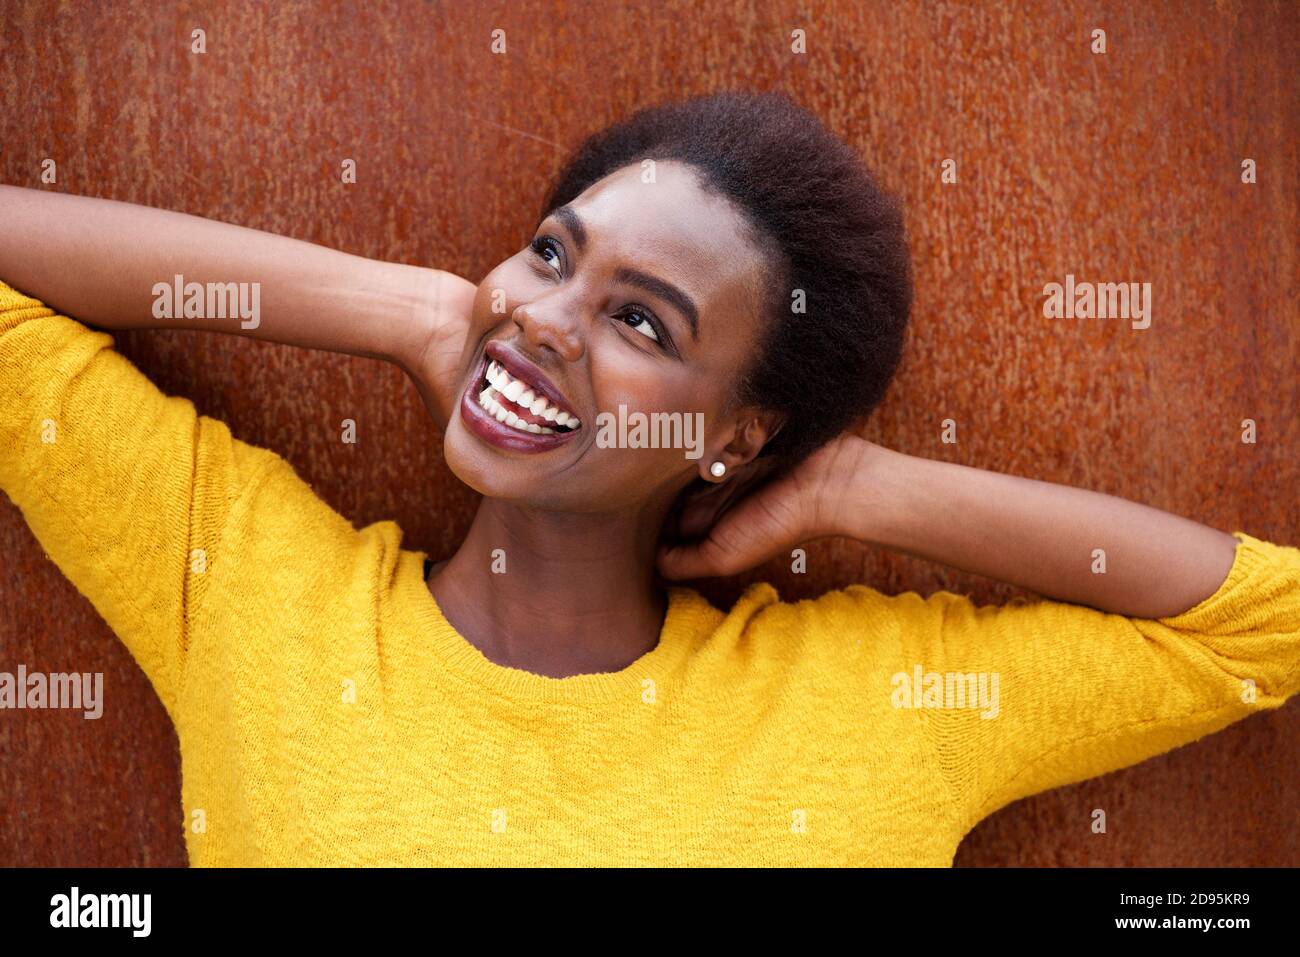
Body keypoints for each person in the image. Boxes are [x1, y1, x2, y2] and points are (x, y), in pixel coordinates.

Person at [1, 91, 1296, 867]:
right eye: (551, 252)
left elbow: (1267, 623)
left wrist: (845, 488)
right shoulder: (254, 596)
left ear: (737, 432)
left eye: (645, 323)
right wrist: (407, 308)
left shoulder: (873, 706)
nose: (550, 319)